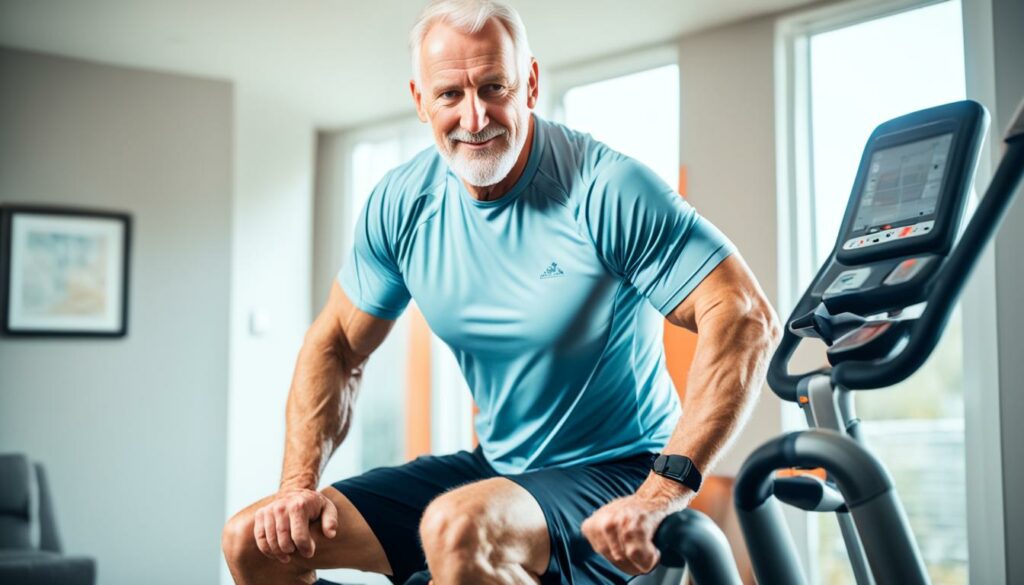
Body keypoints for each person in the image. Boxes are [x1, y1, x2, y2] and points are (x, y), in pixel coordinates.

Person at [222, 0, 780, 583]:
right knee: (256, 542)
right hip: (501, 468)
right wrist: (296, 488)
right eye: (449, 96)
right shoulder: (403, 203)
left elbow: (743, 315)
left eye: (494, 87)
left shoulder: (603, 189)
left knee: (458, 528)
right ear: (419, 100)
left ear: (530, 83)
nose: (474, 116)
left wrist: (661, 491)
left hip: (617, 469)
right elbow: (335, 341)